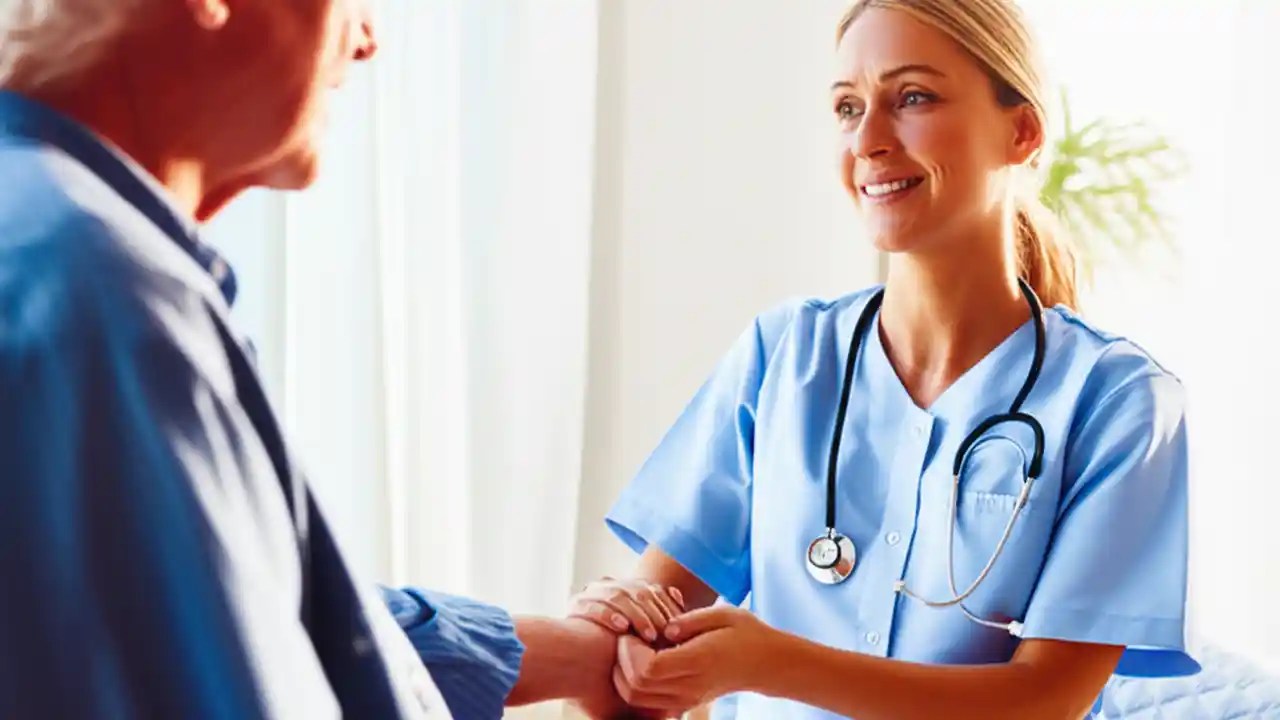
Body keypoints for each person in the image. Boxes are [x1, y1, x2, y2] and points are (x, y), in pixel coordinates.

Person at [0, 1, 635, 718]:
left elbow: (236, 610)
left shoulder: (50, 243)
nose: (366, 40)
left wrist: (575, 655)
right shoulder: (104, 299)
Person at [567, 1, 1200, 718]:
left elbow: (1044, 700)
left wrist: (773, 663)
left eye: (913, 98)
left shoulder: (1116, 403)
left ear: (1021, 131)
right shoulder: (782, 360)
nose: (867, 139)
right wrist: (619, 629)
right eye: (846, 107)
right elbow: (645, 636)